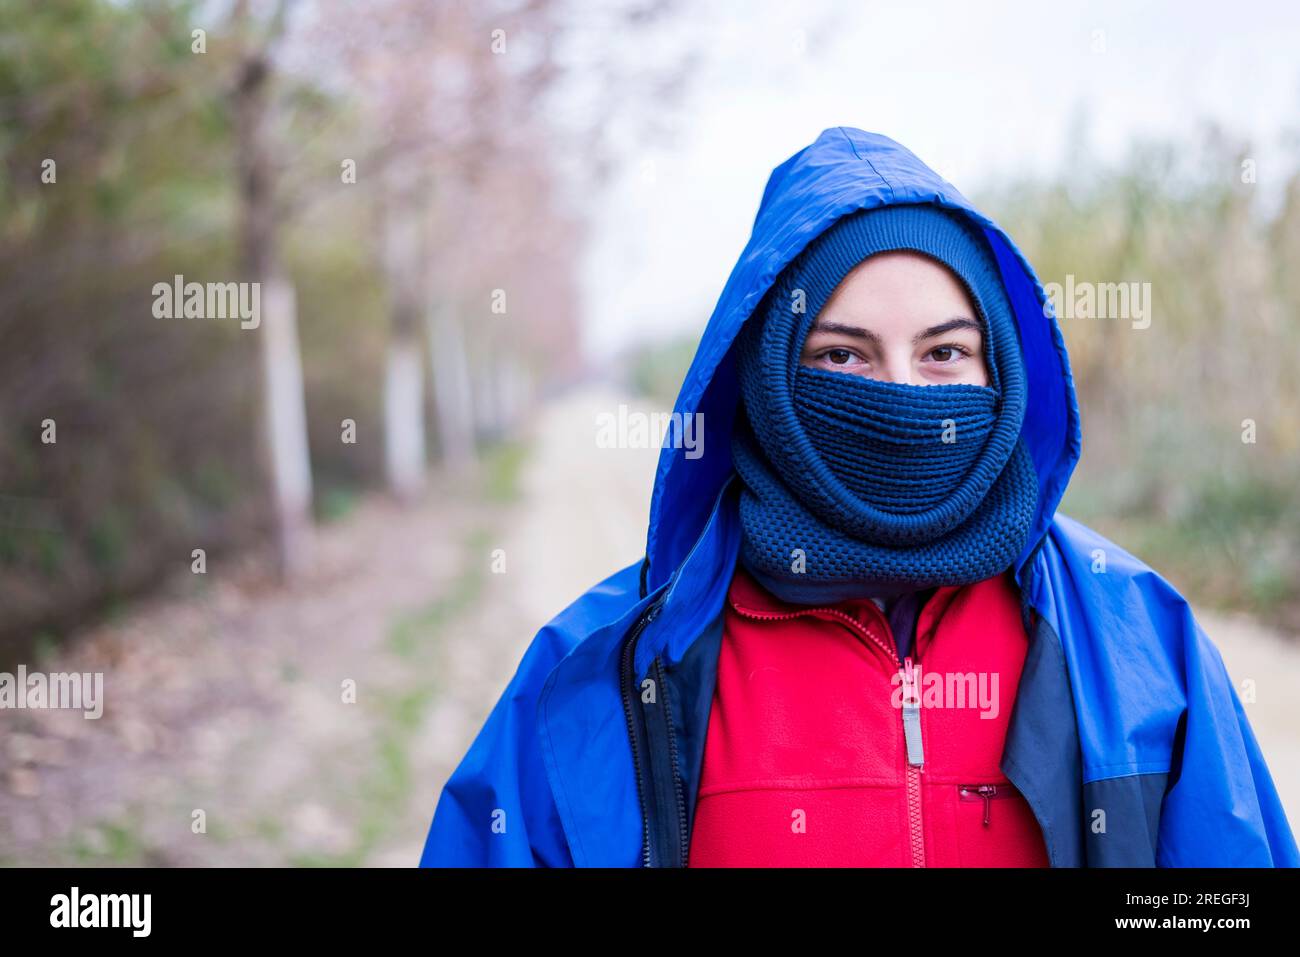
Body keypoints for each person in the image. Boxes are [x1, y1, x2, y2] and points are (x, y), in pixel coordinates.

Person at [419, 127, 1299, 867]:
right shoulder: (602, 672)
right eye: (843, 355)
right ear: (767, 379)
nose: (905, 393)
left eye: (945, 353)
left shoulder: (1139, 637)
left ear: (1002, 371)